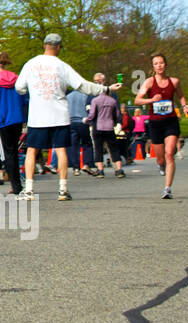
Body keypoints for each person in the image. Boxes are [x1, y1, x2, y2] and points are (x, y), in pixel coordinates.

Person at [14, 34, 118, 201]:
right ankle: (62, 189)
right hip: (59, 114)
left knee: (32, 150)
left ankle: (29, 190)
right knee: (61, 149)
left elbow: (19, 87)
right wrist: (106, 89)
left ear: (44, 46)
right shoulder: (62, 66)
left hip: (37, 115)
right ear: (59, 47)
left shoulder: (31, 64)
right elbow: (82, 85)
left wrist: (32, 92)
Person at [134, 52, 188, 199]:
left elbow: (181, 96)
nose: (159, 65)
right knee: (160, 158)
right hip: (155, 124)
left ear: (165, 64)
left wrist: (185, 106)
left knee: (169, 154)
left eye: (161, 63)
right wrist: (151, 100)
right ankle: (161, 166)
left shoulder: (174, 81)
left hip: (171, 122)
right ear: (153, 67)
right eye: (156, 63)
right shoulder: (149, 82)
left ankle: (167, 188)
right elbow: (137, 100)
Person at [0, 53, 27, 194]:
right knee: (14, 150)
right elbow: (25, 99)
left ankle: (16, 185)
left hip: (2, 121)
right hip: (17, 119)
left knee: (7, 154)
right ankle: (17, 183)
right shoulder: (16, 79)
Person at [85, 74, 127, 178]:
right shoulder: (110, 96)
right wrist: (118, 122)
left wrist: (88, 121)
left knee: (98, 148)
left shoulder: (94, 97)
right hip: (108, 125)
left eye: (99, 81)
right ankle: (119, 169)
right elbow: (117, 111)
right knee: (113, 148)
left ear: (104, 81)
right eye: (95, 81)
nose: (97, 82)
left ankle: (101, 170)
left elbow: (89, 111)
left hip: (96, 125)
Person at [67, 84, 99, 177]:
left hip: (71, 122)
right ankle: (87, 163)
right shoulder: (85, 96)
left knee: (73, 145)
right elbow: (89, 109)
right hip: (83, 121)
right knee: (87, 143)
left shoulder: (68, 97)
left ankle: (75, 167)